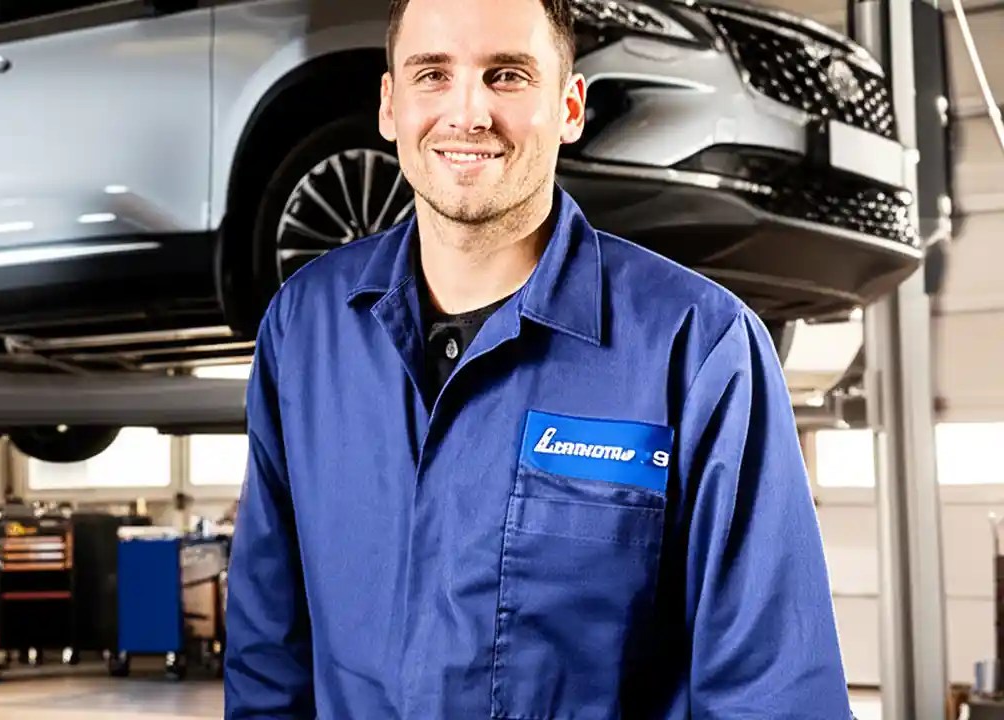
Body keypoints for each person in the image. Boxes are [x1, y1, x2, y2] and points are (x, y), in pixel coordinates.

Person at [223, 0, 852, 716]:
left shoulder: (698, 348)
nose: (468, 113)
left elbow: (771, 691)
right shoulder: (305, 331)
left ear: (571, 106)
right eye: (433, 74)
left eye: (508, 76)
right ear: (389, 105)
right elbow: (267, 660)